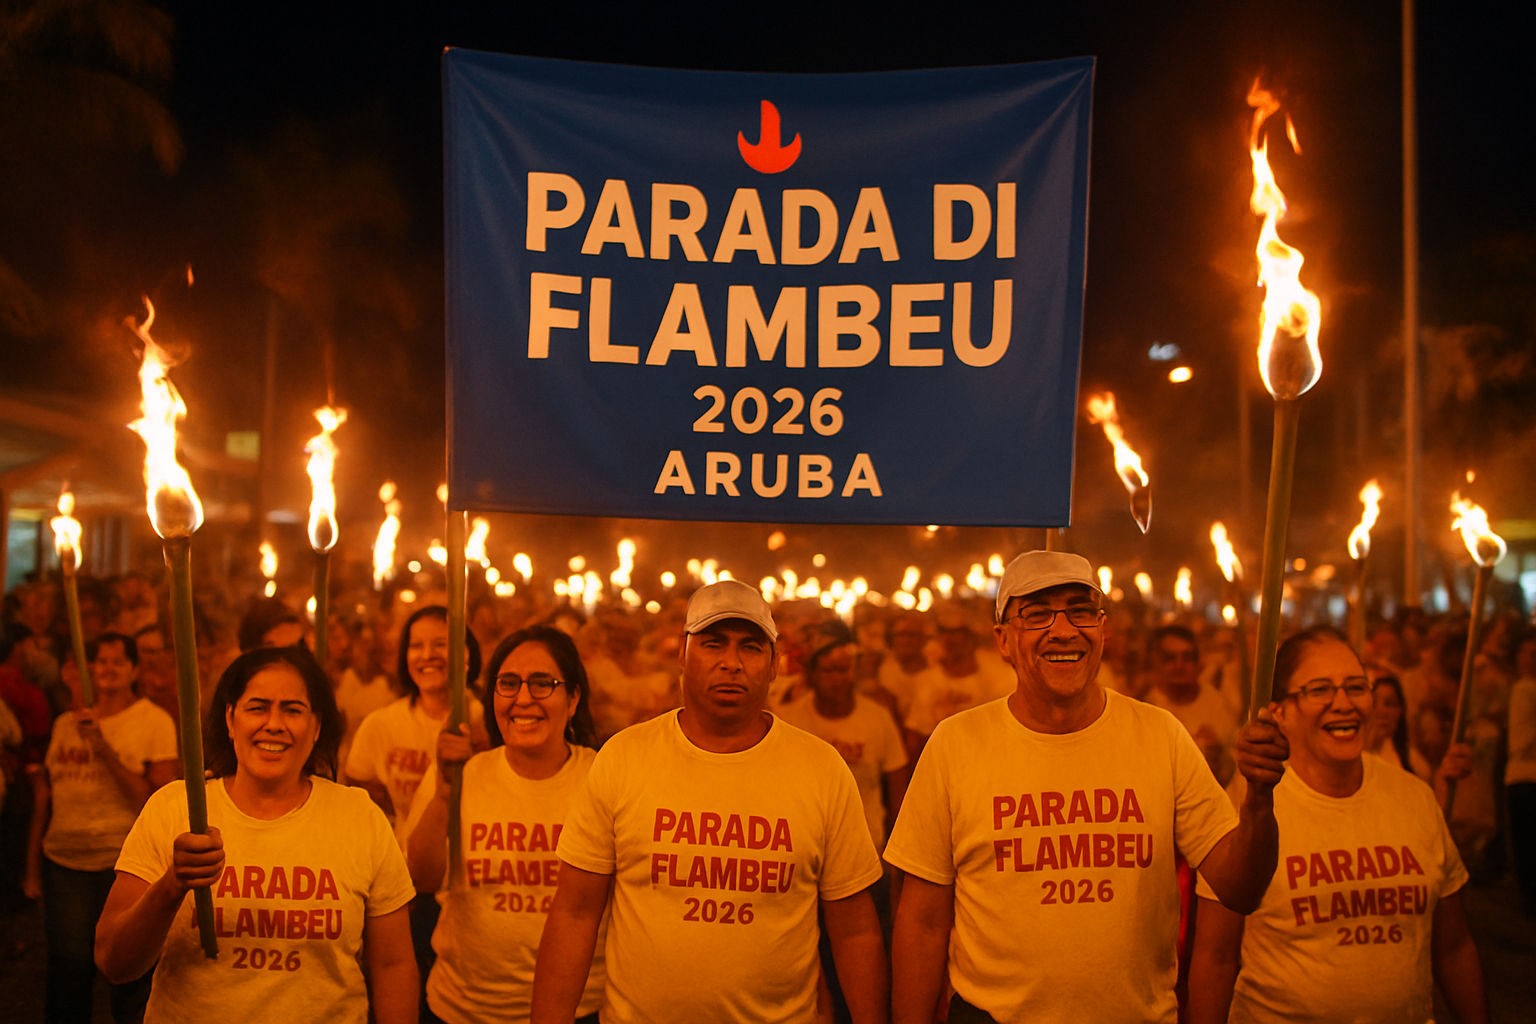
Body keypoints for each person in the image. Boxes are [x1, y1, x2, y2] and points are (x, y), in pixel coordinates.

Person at [885, 550, 1287, 1024]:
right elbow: (924, 923)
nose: (1063, 630)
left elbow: (1239, 887)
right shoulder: (956, 743)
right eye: (1037, 614)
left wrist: (1259, 799)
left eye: (1080, 610)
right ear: (1003, 641)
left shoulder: (1160, 735)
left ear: (1103, 630)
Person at [531, 579, 887, 1024]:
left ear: (775, 664)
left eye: (751, 648)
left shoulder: (822, 769)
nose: (731, 663)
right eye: (713, 644)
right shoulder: (624, 758)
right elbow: (573, 913)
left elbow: (854, 931)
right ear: (682, 654)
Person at [94, 645, 418, 1023]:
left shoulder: (360, 817)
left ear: (316, 727)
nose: (274, 724)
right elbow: (113, 961)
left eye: (293, 710)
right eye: (257, 707)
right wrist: (171, 887)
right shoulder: (174, 808)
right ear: (230, 720)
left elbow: (393, 964)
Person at [1187, 626, 1488, 1024]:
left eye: (1356, 687)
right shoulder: (1248, 805)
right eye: (1319, 690)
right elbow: (1216, 957)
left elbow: (1453, 947)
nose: (1343, 703)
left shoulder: (1415, 797)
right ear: (1278, 711)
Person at [403, 626, 606, 1023]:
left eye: (543, 684)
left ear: (573, 698)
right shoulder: (462, 774)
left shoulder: (603, 778)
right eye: (508, 684)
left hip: (576, 1009)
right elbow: (422, 880)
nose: (523, 699)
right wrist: (444, 794)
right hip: (463, 1009)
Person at [27, 631, 178, 1023]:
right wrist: (32, 865)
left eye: (117, 661)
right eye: (101, 661)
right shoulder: (64, 724)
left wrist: (102, 745)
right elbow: (49, 796)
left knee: (129, 975)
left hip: (123, 864)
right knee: (69, 967)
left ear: (132, 670)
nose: (108, 669)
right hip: (65, 862)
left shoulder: (153, 722)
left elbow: (151, 801)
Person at [1146, 625, 1238, 785]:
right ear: (1156, 662)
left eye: (1187, 657)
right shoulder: (1144, 707)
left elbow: (1234, 771)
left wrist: (1218, 756)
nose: (1179, 665)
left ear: (1197, 662)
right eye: (1170, 658)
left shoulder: (1218, 704)